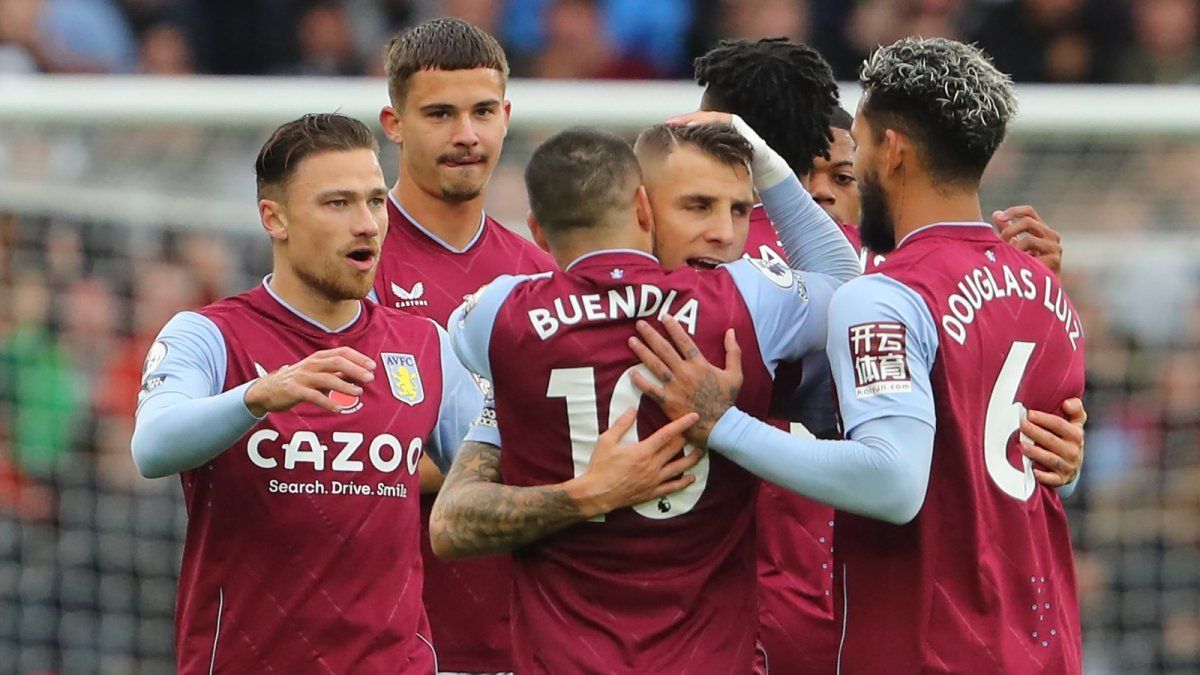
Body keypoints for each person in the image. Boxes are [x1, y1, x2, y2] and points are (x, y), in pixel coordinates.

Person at [635, 37, 1085, 672]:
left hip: (874, 633)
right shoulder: (1046, 289)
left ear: (890, 150)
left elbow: (895, 478)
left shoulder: (834, 289)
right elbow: (1039, 453)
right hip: (1037, 640)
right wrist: (1072, 458)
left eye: (858, 153)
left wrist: (724, 421)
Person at [432, 125, 860, 673]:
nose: (726, 235)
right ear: (644, 207)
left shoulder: (503, 319)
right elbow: (844, 285)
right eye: (697, 207)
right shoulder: (751, 309)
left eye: (738, 211)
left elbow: (472, 338)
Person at [130, 114, 486, 673]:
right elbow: (151, 447)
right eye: (338, 203)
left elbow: (493, 469)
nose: (367, 224)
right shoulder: (210, 335)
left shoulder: (424, 346)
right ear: (275, 218)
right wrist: (259, 395)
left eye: (374, 200)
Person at [373, 17, 556, 673]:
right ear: (394, 124)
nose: (467, 135)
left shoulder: (540, 274)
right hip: (391, 638)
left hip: (523, 635)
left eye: (483, 111)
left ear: (506, 114)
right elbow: (342, 451)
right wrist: (499, 472)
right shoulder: (350, 266)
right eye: (441, 113)